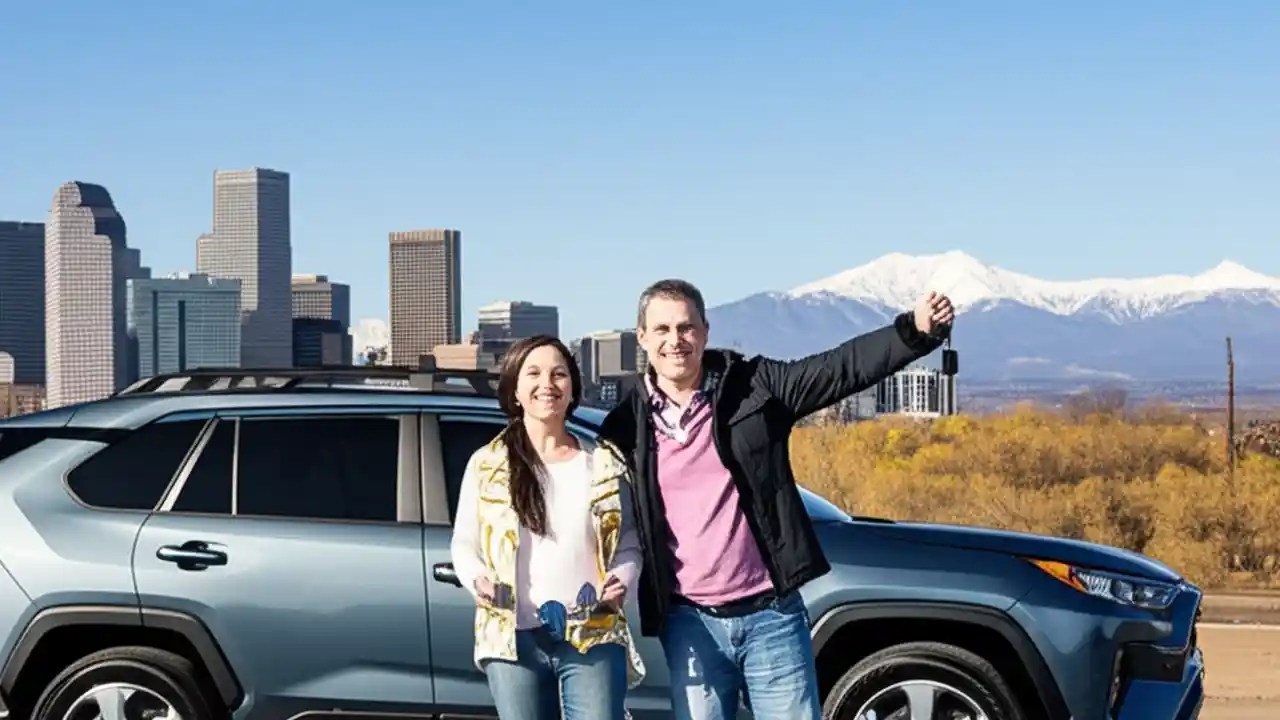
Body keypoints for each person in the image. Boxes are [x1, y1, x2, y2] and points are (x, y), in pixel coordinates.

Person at [600, 279, 955, 720]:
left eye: (687, 327)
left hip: (772, 617)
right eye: (663, 329)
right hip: (690, 625)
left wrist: (914, 332)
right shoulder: (622, 428)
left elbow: (838, 369)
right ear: (644, 338)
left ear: (705, 332)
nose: (676, 340)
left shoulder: (755, 388)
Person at [451, 334, 647, 720]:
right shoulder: (487, 464)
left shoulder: (603, 463)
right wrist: (478, 581)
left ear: (572, 388)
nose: (548, 384)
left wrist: (623, 580)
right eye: (534, 373)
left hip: (592, 630)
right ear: (515, 389)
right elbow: (464, 543)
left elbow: (628, 540)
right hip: (512, 639)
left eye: (559, 374)